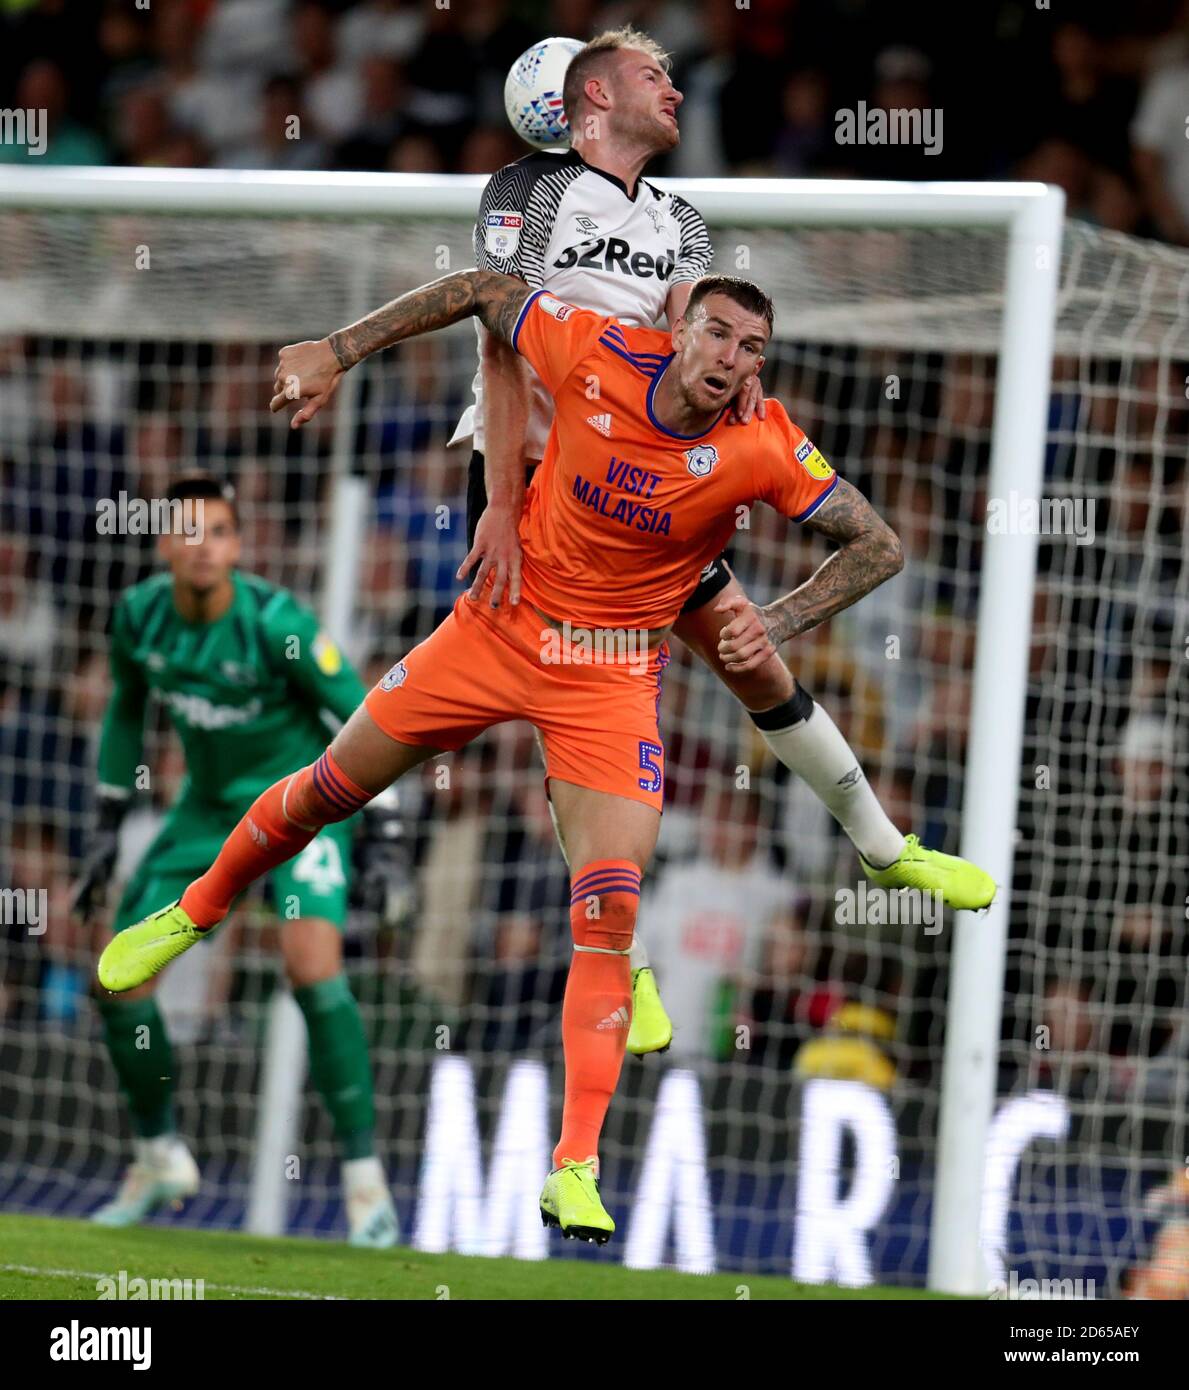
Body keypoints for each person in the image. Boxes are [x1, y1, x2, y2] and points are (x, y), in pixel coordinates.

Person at [99, 267, 995, 1245]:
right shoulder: (596, 350)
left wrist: (777, 618)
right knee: (325, 789)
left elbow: (878, 544)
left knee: (608, 910)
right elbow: (487, 289)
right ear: (678, 330)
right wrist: (336, 351)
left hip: (609, 677)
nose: (732, 360)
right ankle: (193, 912)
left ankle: (575, 1165)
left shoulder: (760, 441)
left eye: (751, 349)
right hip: (495, 628)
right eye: (720, 336)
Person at [449, 26, 949, 1059]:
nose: (671, 87)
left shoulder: (680, 218)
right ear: (582, 98)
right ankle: (624, 960)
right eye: (650, 74)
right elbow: (498, 337)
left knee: (744, 652)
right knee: (566, 702)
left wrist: (732, 362)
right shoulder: (524, 190)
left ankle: (882, 845)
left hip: (637, 470)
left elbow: (688, 322)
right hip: (538, 473)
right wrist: (500, 495)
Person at [76, 475, 404, 1246]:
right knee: (118, 980)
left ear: (238, 545)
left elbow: (364, 711)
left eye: (218, 530)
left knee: (311, 964)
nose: (202, 544)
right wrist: (107, 814)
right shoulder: (139, 617)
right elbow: (126, 707)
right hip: (206, 815)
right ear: (162, 542)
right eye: (188, 529)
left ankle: (364, 1186)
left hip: (302, 811)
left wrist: (384, 830)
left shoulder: (275, 622)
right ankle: (158, 1156)